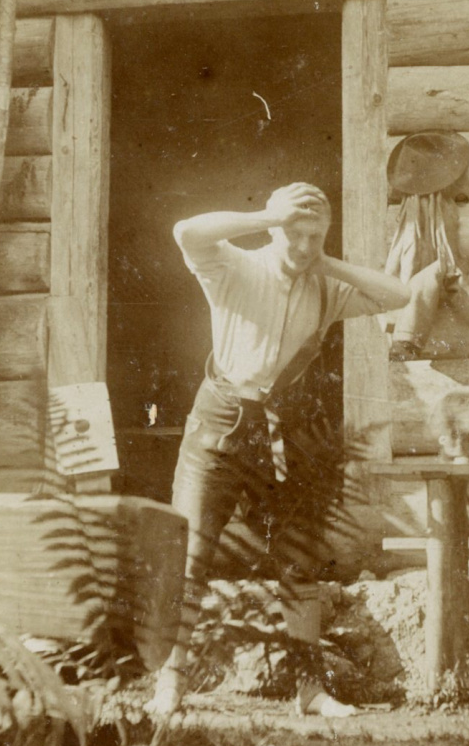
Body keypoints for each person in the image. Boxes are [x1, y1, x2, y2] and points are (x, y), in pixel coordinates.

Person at [146, 182, 410, 718]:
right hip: (219, 426)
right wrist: (268, 214)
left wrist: (325, 259)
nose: (304, 245)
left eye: (315, 234)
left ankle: (310, 690)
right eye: (295, 232)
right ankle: (169, 685)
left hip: (282, 434)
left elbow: (399, 296)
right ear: (273, 228)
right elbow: (186, 231)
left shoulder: (325, 286)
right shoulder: (233, 267)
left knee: (300, 563)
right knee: (191, 554)